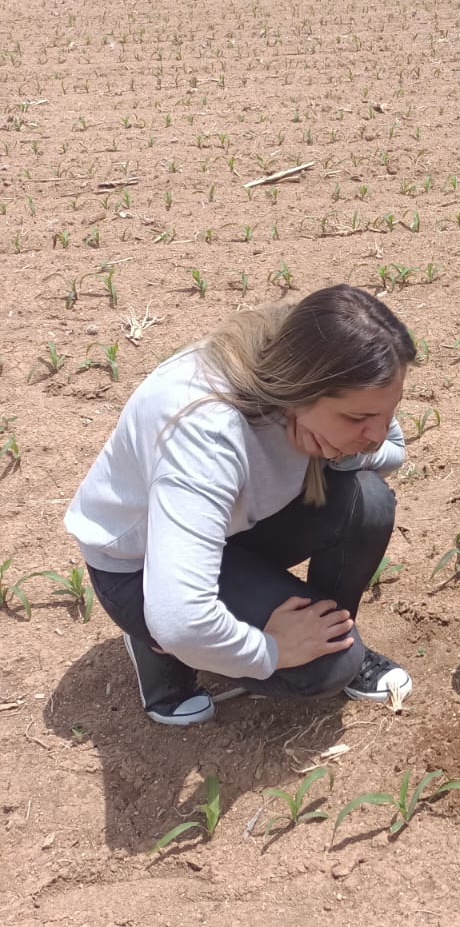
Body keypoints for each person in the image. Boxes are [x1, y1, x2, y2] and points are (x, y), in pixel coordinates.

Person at [66, 284, 417, 727]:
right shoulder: (207, 429)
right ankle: (154, 642)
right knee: (325, 671)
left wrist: (345, 444)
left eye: (386, 412)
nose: (378, 432)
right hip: (139, 565)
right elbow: (182, 621)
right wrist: (269, 650)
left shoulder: (313, 356)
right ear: (302, 388)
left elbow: (394, 451)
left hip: (232, 529)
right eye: (357, 419)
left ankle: (328, 633)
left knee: (368, 502)